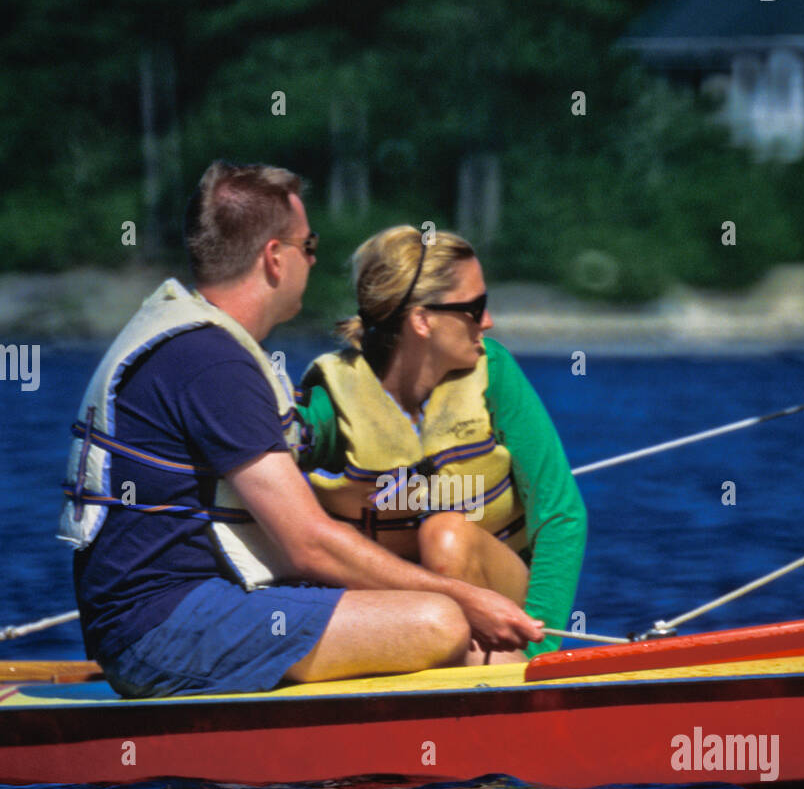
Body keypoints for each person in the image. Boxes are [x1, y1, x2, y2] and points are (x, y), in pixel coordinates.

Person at [58, 162, 543, 697]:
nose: (313, 262)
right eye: (308, 247)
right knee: (440, 621)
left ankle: (512, 738)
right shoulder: (209, 361)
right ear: (273, 257)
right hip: (160, 629)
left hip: (188, 613)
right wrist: (463, 595)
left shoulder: (196, 338)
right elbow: (307, 546)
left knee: (476, 649)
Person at [298, 225, 587, 662]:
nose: (487, 322)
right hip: (393, 599)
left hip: (498, 589)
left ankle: (481, 665)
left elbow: (561, 513)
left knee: (445, 534)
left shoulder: (496, 372)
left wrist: (541, 649)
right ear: (422, 320)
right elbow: (261, 457)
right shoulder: (330, 404)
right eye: (474, 308)